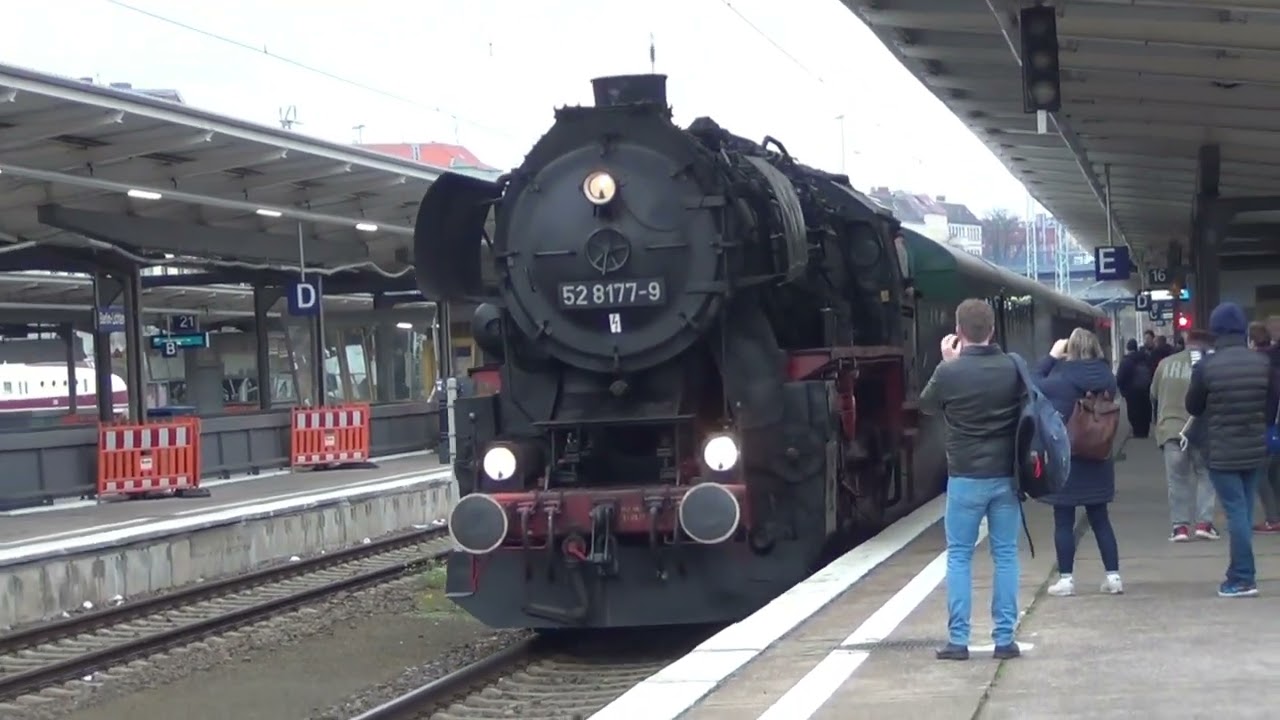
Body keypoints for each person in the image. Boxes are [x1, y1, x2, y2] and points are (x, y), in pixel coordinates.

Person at [919, 298, 1022, 661]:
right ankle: (1005, 640)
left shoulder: (949, 372)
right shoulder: (1011, 367)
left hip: (964, 477)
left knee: (960, 556)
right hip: (1005, 477)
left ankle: (959, 641)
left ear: (959, 332)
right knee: (1006, 554)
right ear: (992, 330)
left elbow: (927, 405)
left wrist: (949, 363)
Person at [1186, 302, 1276, 597]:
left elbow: (1193, 406)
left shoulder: (1206, 367)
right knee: (1245, 509)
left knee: (1237, 514)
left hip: (1222, 451)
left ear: (1216, 331)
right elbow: (1269, 406)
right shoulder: (1263, 364)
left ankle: (1242, 578)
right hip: (1254, 449)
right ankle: (1239, 572)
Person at [1031, 328, 1123, 596]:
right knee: (1100, 520)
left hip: (1069, 460)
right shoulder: (1108, 379)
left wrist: (1051, 357)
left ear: (1069, 349)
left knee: (1063, 521)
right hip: (1099, 457)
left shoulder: (1061, 379)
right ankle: (1113, 577)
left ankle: (1067, 580)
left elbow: (1032, 382)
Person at [1152, 328, 1218, 542]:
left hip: (1170, 429)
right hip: (1200, 430)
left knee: (1177, 480)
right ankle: (1204, 524)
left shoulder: (1164, 364)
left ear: (1186, 341)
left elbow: (1153, 394)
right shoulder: (1210, 366)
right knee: (1205, 476)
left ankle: (1180, 528)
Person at [1247, 321, 1280, 533]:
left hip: (1263, 426)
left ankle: (1272, 518)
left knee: (1260, 474)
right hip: (1274, 426)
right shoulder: (1273, 363)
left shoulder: (1258, 364)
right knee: (1274, 473)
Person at [1116, 338, 1153, 438]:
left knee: (1134, 411)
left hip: (1132, 391)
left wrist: (1123, 391)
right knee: (1145, 409)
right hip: (1146, 389)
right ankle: (1145, 430)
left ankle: (1137, 432)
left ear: (1127, 348)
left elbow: (1120, 378)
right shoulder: (1145, 358)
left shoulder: (1126, 361)